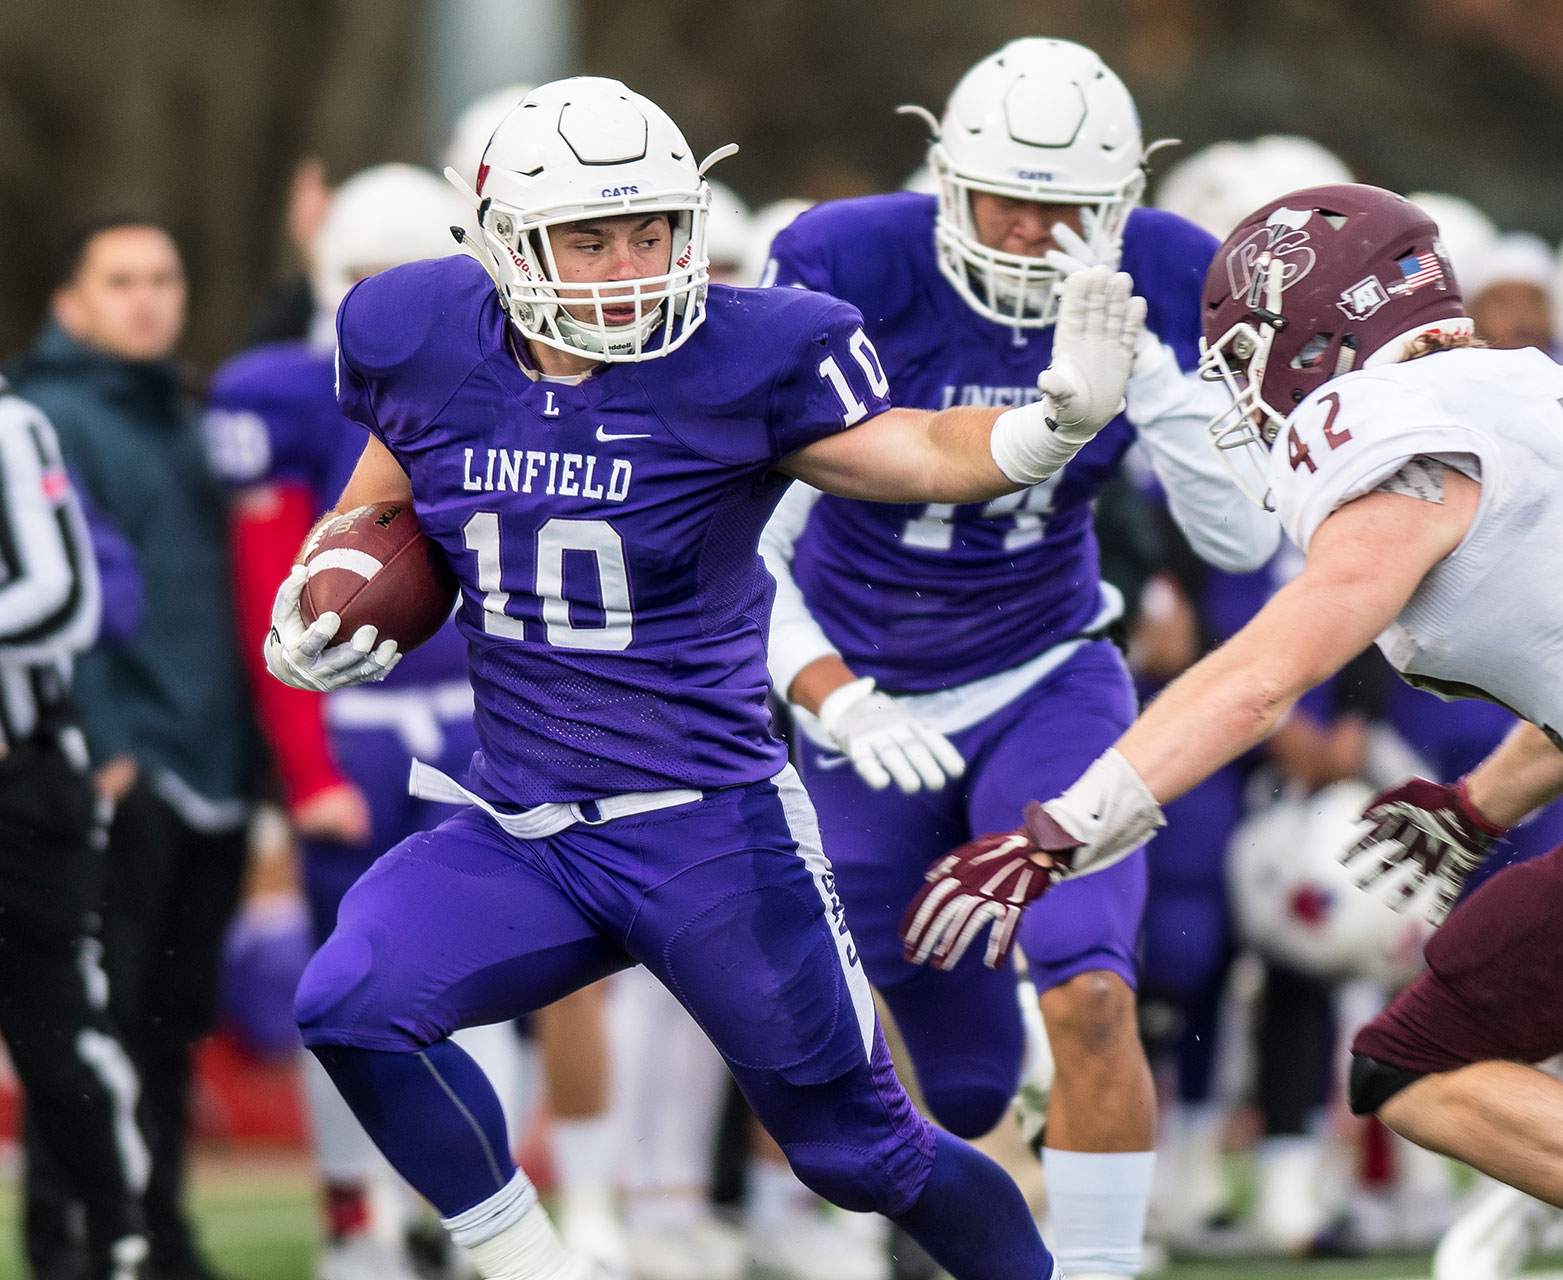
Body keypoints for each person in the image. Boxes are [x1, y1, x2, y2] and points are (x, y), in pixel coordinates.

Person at [902, 181, 1563, 1279]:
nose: (1248, 389)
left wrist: (1064, 825)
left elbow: (1266, 670)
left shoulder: (1388, 419)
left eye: (1249, 351)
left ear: (1319, 331)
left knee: (1411, 1064)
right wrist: (1479, 807)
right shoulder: (1535, 389)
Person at [270, 75, 1147, 1280]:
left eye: (653, 229)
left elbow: (914, 453)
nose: (631, 263)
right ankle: (539, 1263)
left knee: (861, 1154)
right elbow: (382, 493)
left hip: (712, 830)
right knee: (351, 1000)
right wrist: (315, 592)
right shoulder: (414, 330)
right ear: (497, 241)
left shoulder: (751, 351)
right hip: (523, 821)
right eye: (589, 237)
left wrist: (1041, 432)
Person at [757, 38, 1278, 1280]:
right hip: (863, 691)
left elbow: (1241, 532)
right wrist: (832, 695)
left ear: (1121, 203)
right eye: (1009, 200)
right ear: (946, 180)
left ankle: (1096, 1265)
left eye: (1068, 209)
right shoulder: (845, 262)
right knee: (937, 1054)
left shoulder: (1165, 267)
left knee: (1091, 987)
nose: (1036, 234)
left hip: (1048, 668)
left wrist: (1151, 378)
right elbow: (741, 541)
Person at [205, 162, 524, 1280]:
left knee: (492, 973)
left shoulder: (508, 380)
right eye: (365, 279)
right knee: (347, 982)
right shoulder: (279, 394)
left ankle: (477, 1210)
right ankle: (356, 1214)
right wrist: (302, 761)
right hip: (354, 718)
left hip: (478, 712)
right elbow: (272, 587)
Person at [9, 215, 255, 1280]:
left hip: (213, 764)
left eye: (165, 275)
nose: (148, 298)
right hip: (115, 763)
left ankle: (158, 1223)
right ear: (72, 300)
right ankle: (79, 1236)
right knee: (87, 1023)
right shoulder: (42, 417)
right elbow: (70, 590)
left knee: (171, 1018)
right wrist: (102, 738)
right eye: (122, 279)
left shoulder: (191, 411)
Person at [0, 375, 149, 1280]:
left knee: (58, 1047)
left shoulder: (11, 427)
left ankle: (115, 1237)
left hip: (19, 784)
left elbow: (68, 598)